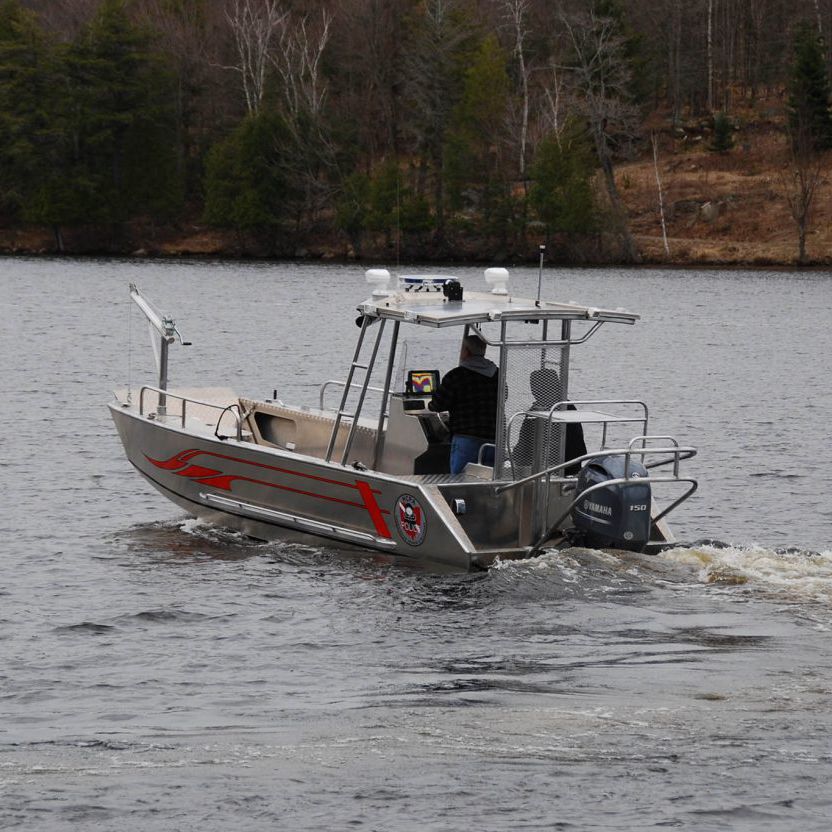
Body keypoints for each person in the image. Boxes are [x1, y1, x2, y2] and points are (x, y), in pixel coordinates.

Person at [429, 334, 498, 475]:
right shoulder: (497, 374)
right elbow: (504, 398)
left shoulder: (456, 375)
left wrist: (432, 398)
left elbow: (438, 405)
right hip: (493, 439)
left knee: (459, 482)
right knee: (488, 482)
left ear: (466, 352)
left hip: (467, 440)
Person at [513, 367, 586, 475]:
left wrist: (513, 455)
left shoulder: (534, 413)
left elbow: (523, 450)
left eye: (534, 387)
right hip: (573, 466)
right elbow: (580, 448)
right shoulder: (567, 406)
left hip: (547, 470)